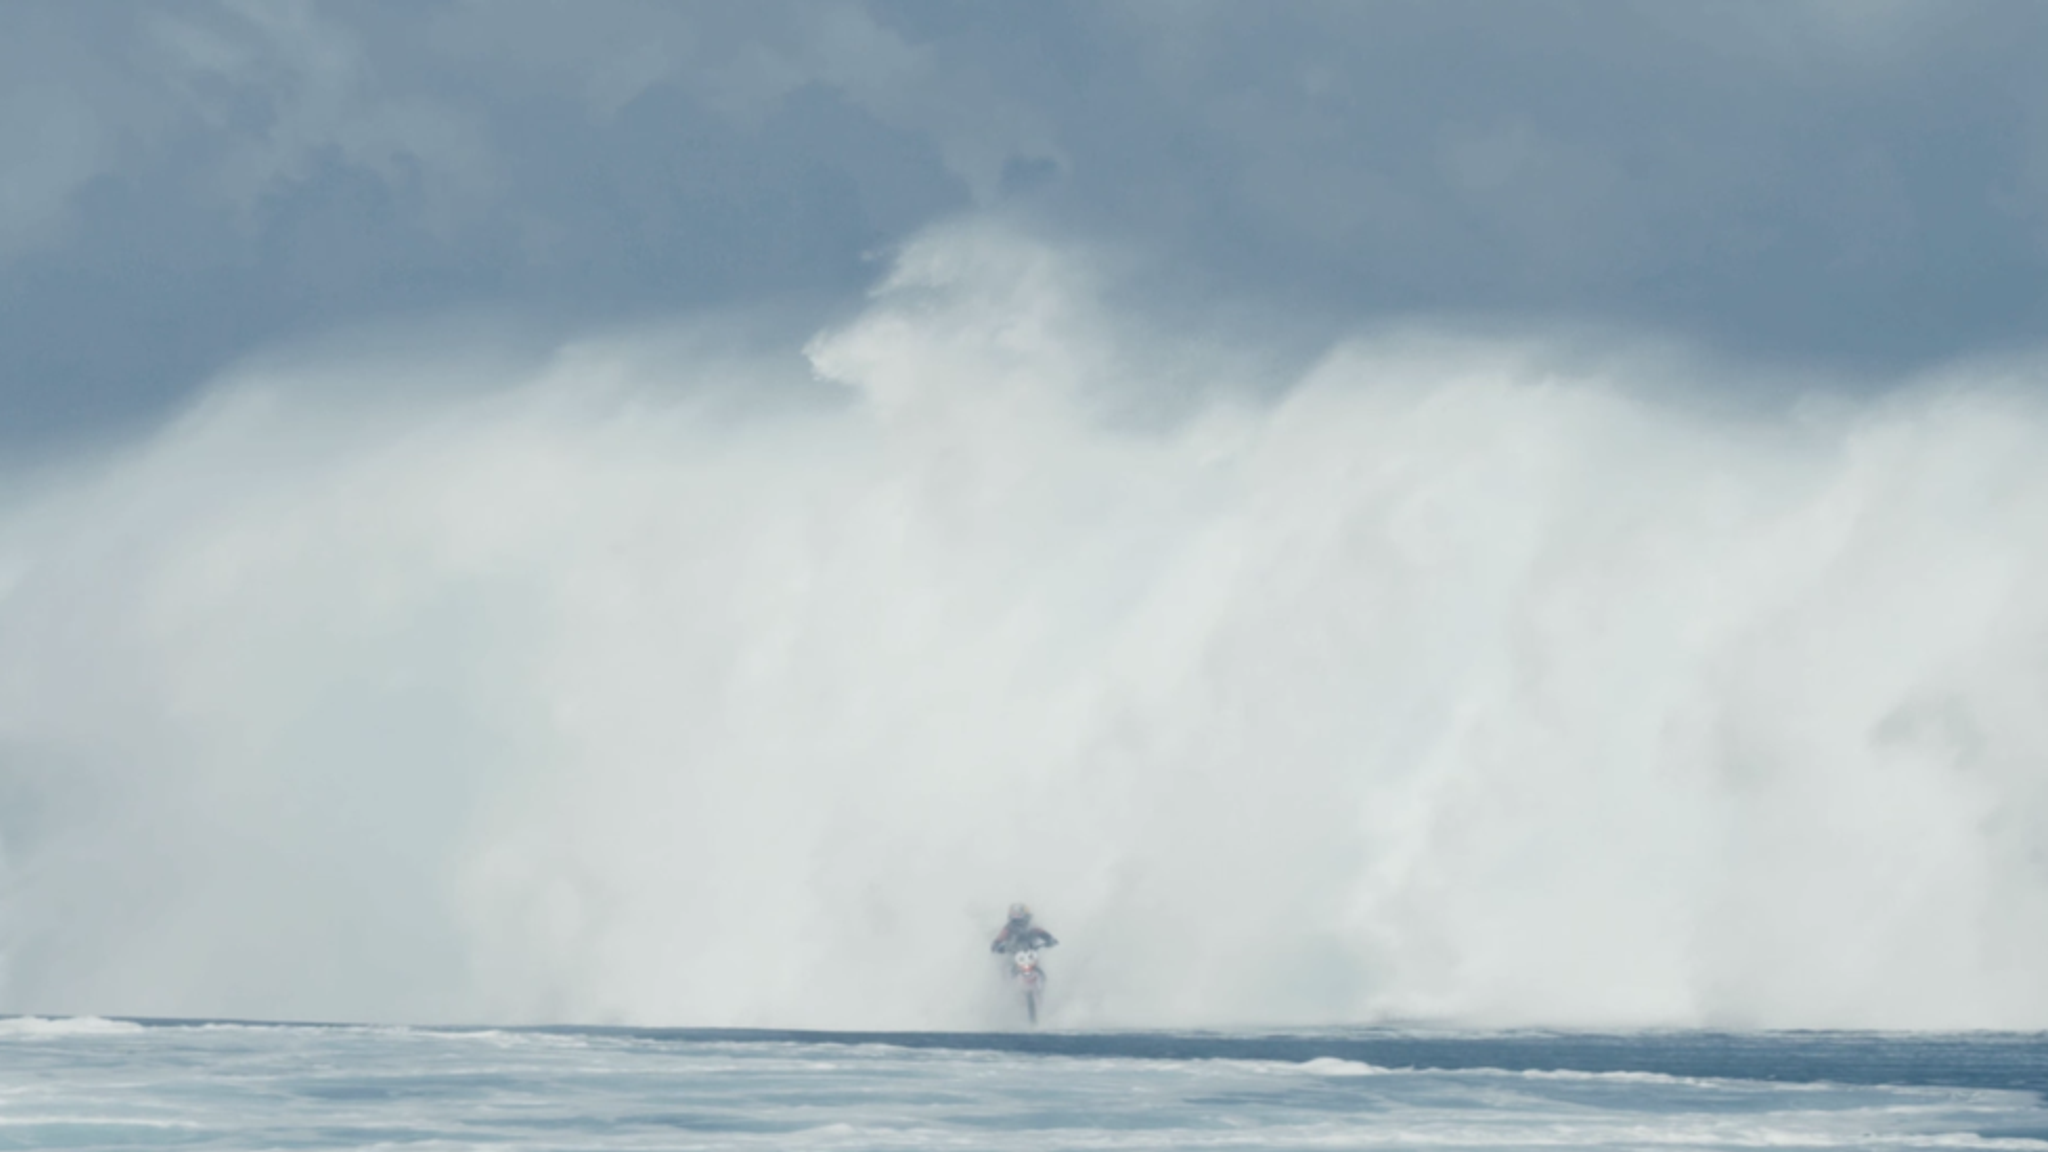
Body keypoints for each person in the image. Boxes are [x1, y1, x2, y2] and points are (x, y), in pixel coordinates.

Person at [990, 903, 1058, 954]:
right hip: (1013, 955)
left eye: (1019, 914)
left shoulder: (1031, 925)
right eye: (1014, 914)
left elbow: (1040, 931)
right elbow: (1001, 937)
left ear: (1025, 914)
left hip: (1031, 954)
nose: (1016, 917)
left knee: (1038, 962)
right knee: (1005, 965)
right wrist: (997, 945)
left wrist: (1049, 939)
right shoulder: (1009, 927)